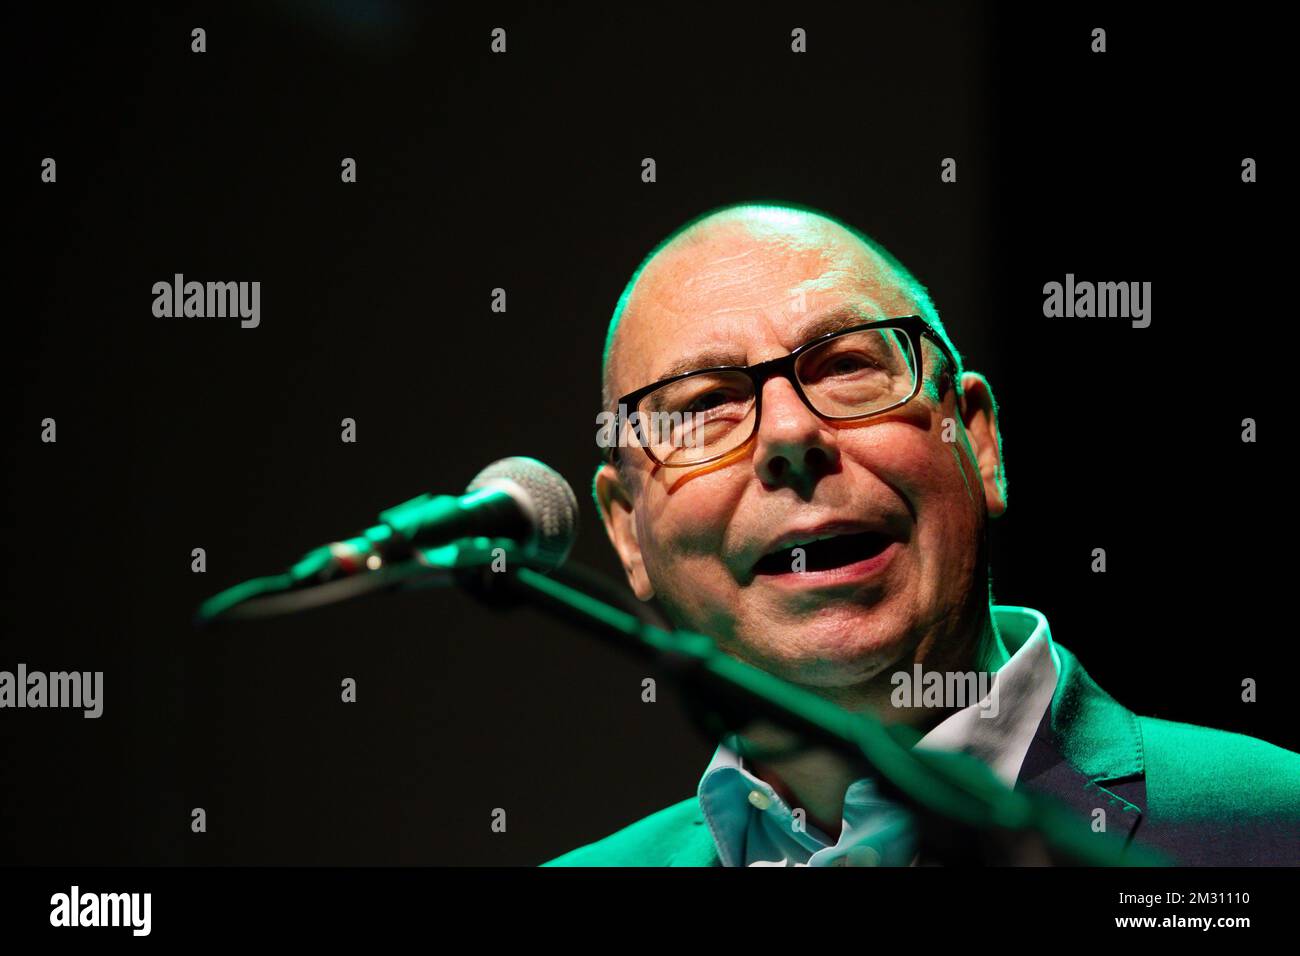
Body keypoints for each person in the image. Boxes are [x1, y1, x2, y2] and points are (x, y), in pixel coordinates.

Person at [543, 203, 1299, 866]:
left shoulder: (1271, 827)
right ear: (627, 534)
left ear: (980, 441)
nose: (789, 431)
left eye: (846, 365)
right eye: (706, 404)